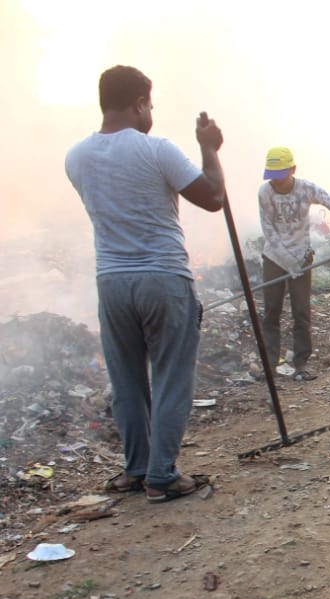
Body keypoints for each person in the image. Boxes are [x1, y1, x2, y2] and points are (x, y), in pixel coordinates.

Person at [65, 65, 225, 503]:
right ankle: (163, 475)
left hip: (112, 281)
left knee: (127, 381)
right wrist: (210, 149)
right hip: (163, 277)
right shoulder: (158, 150)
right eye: (149, 103)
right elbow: (213, 197)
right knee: (172, 377)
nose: (151, 111)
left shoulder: (76, 157)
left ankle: (135, 469)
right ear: (138, 103)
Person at [258, 147, 330, 380]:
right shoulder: (265, 193)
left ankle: (301, 365)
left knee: (301, 313)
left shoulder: (306, 189)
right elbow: (269, 232)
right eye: (273, 177)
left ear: (293, 169)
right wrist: (289, 263)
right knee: (271, 312)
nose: (276, 182)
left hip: (302, 258)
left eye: (281, 176)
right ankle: (269, 366)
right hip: (274, 259)